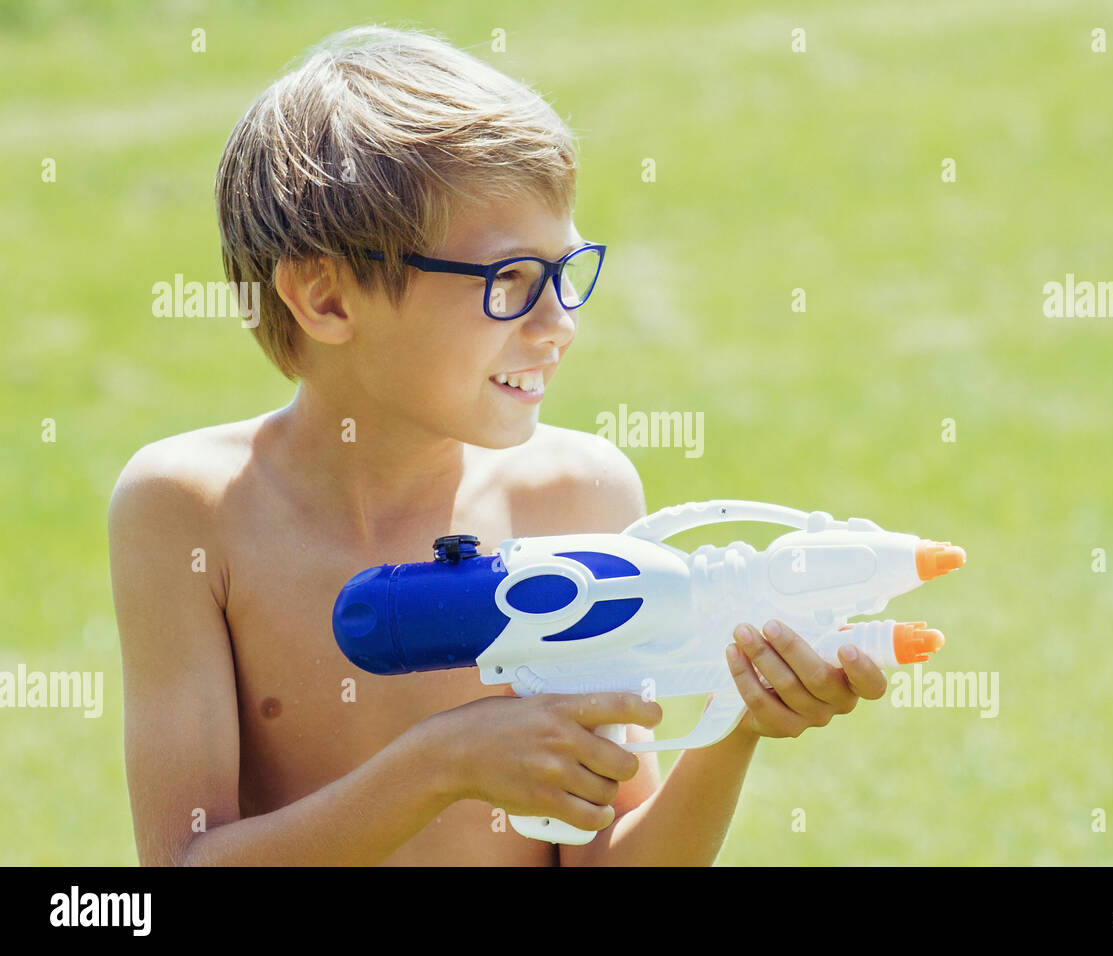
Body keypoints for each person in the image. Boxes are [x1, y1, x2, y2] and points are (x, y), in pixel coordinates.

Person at [108, 25, 886, 866]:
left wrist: (734, 729)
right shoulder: (187, 511)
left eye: (566, 271)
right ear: (326, 297)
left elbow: (605, 858)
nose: (561, 326)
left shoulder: (577, 497)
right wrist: (442, 763)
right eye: (509, 281)